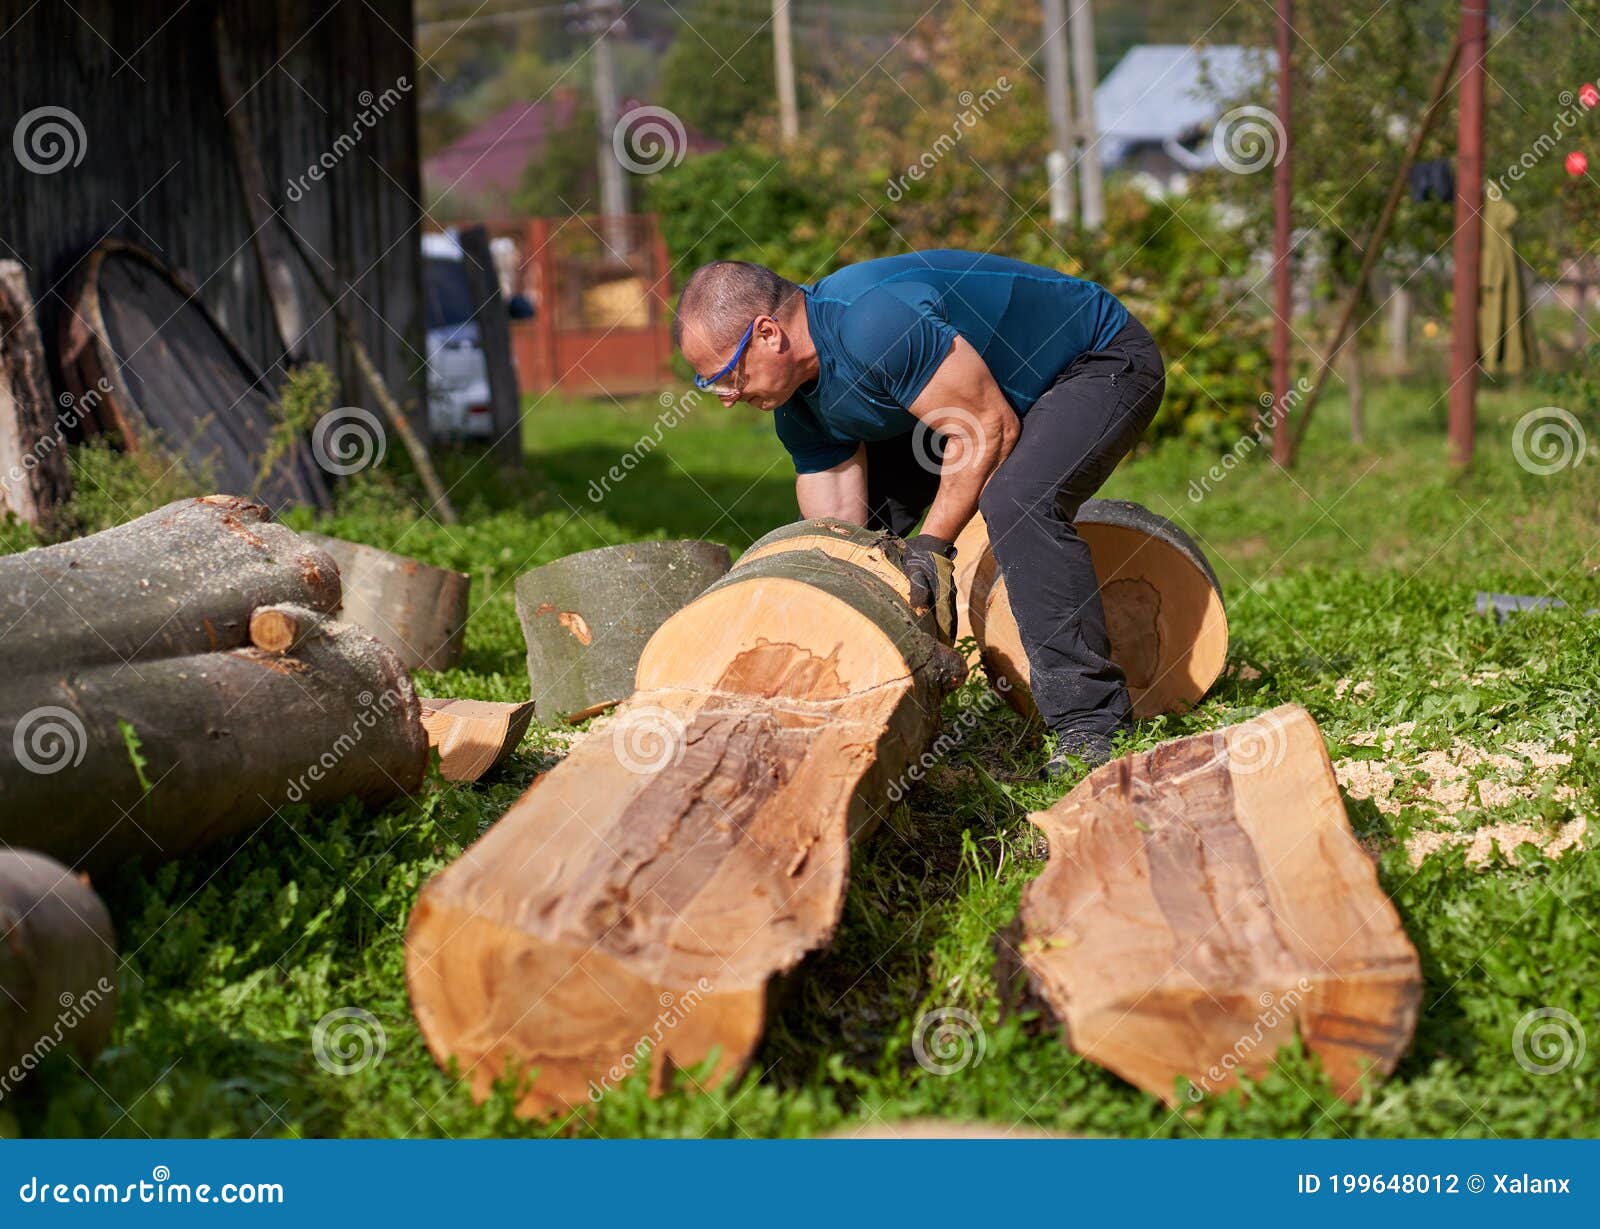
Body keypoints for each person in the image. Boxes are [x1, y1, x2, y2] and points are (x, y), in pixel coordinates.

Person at [672, 249, 1165, 775]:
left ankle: (1092, 725)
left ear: (768, 333)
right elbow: (840, 517)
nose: (725, 396)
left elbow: (985, 428)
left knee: (1018, 502)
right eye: (711, 384)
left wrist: (933, 546)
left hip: (1094, 363)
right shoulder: (794, 400)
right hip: (985, 397)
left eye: (725, 374)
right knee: (869, 543)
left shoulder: (871, 323)